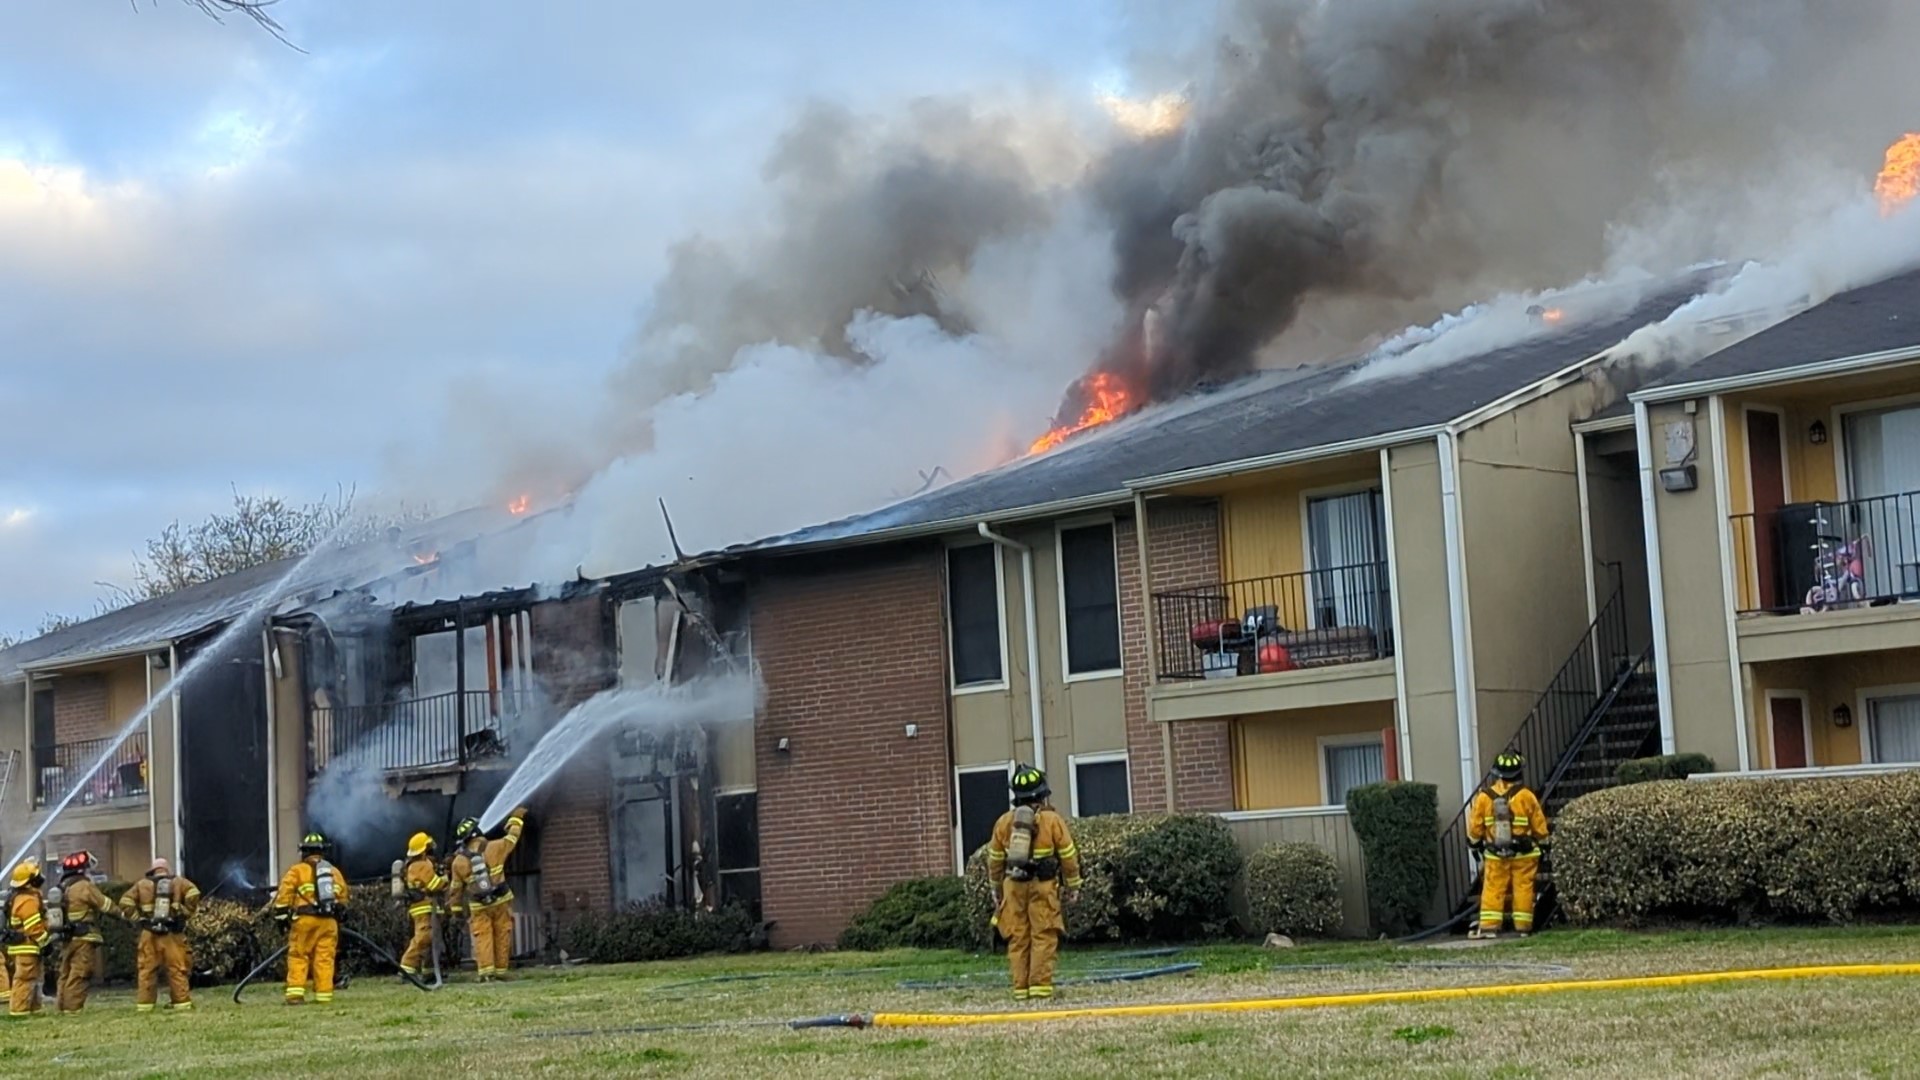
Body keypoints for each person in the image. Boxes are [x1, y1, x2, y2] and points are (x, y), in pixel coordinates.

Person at [986, 766, 1082, 1002]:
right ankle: (1039, 988)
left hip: (1013, 886)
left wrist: (996, 889)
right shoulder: (1052, 821)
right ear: (1042, 793)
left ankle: (1020, 989)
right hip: (1043, 885)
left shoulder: (1004, 823)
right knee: (1043, 933)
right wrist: (1073, 885)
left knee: (1018, 936)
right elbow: (1068, 857)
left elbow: (995, 861)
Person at [1467, 752, 1550, 939]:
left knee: (1493, 889)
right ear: (1519, 773)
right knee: (1523, 889)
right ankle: (1523, 927)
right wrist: (1544, 845)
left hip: (1495, 854)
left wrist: (1475, 846)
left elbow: (1475, 829)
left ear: (1497, 773)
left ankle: (1489, 928)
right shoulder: (1527, 796)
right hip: (1524, 854)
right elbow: (1539, 825)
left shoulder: (1484, 797)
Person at [447, 806, 528, 981]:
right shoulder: (495, 847)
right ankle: (501, 972)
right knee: (502, 933)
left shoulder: (458, 862)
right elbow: (513, 837)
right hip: (501, 901)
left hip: (478, 906)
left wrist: (456, 911)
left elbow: (455, 891)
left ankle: (486, 974)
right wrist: (516, 818)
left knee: (482, 937)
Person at [273, 832, 348, 1005]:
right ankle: (324, 996)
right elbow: (343, 899)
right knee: (325, 958)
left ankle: (295, 996)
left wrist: (281, 917)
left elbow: (284, 894)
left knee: (299, 955)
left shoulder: (297, 871)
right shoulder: (334, 872)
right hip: (329, 923)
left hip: (305, 920)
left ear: (304, 852)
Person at [118, 858, 201, 1012]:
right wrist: (185, 912)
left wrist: (138, 919)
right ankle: (182, 1003)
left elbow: (125, 902)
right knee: (177, 968)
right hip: (172, 934)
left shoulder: (142, 884)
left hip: (149, 933)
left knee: (146, 970)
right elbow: (194, 893)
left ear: (152, 870)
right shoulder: (179, 882)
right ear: (167, 869)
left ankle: (145, 1006)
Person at [54, 851, 116, 1012]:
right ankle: (73, 1008)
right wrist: (123, 914)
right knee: (80, 972)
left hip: (67, 938)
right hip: (84, 937)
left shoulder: (62, 888)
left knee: (65, 972)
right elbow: (105, 905)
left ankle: (61, 1006)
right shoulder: (84, 886)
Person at [398, 831, 448, 980]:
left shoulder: (420, 864)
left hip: (425, 906)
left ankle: (429, 971)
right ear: (424, 849)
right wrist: (445, 878)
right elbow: (434, 885)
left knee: (432, 940)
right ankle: (407, 968)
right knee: (423, 938)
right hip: (423, 907)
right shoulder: (420, 865)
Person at [6, 859, 52, 1018]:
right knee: (25, 979)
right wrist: (45, 942)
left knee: (34, 979)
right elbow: (34, 927)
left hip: (28, 946)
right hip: (27, 947)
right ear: (30, 880)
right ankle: (19, 1012)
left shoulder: (24, 897)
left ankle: (33, 1009)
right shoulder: (27, 901)